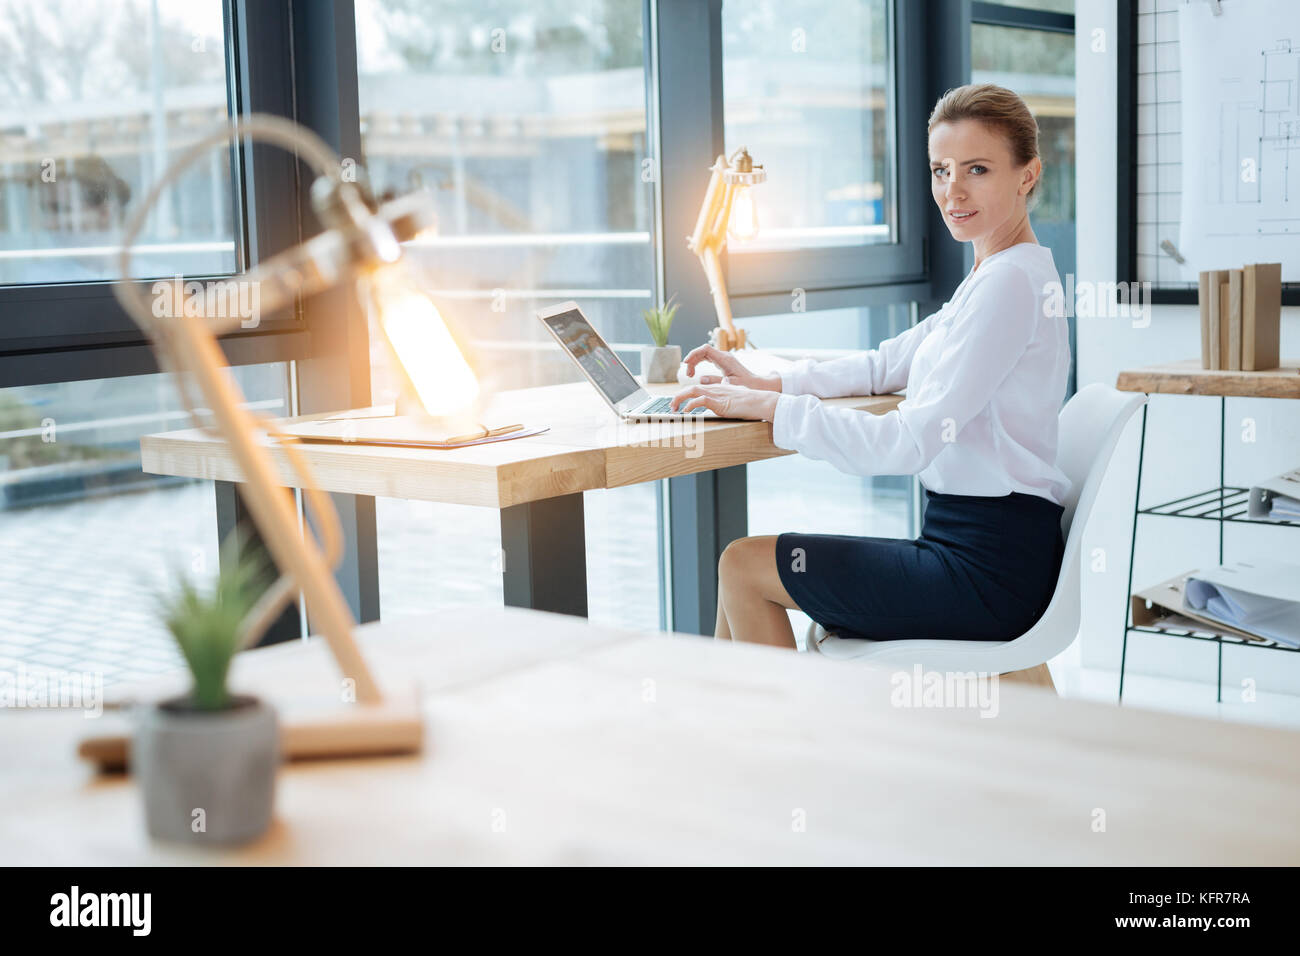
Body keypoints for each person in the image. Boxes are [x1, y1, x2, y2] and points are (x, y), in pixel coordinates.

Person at [669, 83, 1072, 650]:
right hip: (978, 550)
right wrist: (772, 382)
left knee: (743, 565)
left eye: (976, 169)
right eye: (940, 170)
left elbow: (907, 444)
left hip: (986, 572)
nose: (952, 190)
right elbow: (888, 364)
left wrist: (775, 407)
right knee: (746, 564)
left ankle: (781, 737)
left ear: (1026, 175)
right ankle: (738, 730)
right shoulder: (998, 277)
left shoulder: (1009, 285)